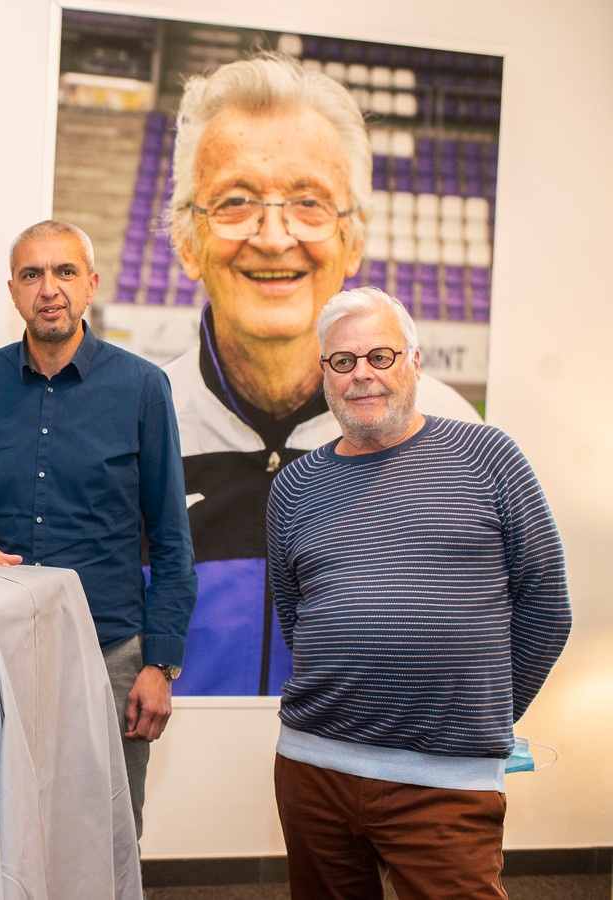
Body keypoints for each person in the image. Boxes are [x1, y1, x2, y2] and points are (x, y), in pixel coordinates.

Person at [162, 53, 481, 696]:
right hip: (167, 791)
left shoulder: (452, 436)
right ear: (186, 241)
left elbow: (486, 644)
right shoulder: (134, 427)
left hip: (362, 791)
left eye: (309, 203)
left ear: (353, 240)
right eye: (234, 201)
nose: (274, 237)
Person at [266, 286, 570, 899]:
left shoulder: (489, 457)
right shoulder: (296, 484)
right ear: (323, 373)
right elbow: (296, 617)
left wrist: (480, 716)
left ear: (414, 361)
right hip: (313, 768)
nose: (363, 377)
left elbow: (546, 608)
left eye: (381, 356)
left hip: (447, 781)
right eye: (343, 362)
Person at [0, 220, 197, 839]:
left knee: (104, 834)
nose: (48, 288)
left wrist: (161, 665)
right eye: (32, 274)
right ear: (13, 290)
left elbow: (172, 537)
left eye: (64, 271)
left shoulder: (142, 388)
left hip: (109, 655)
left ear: (91, 284)